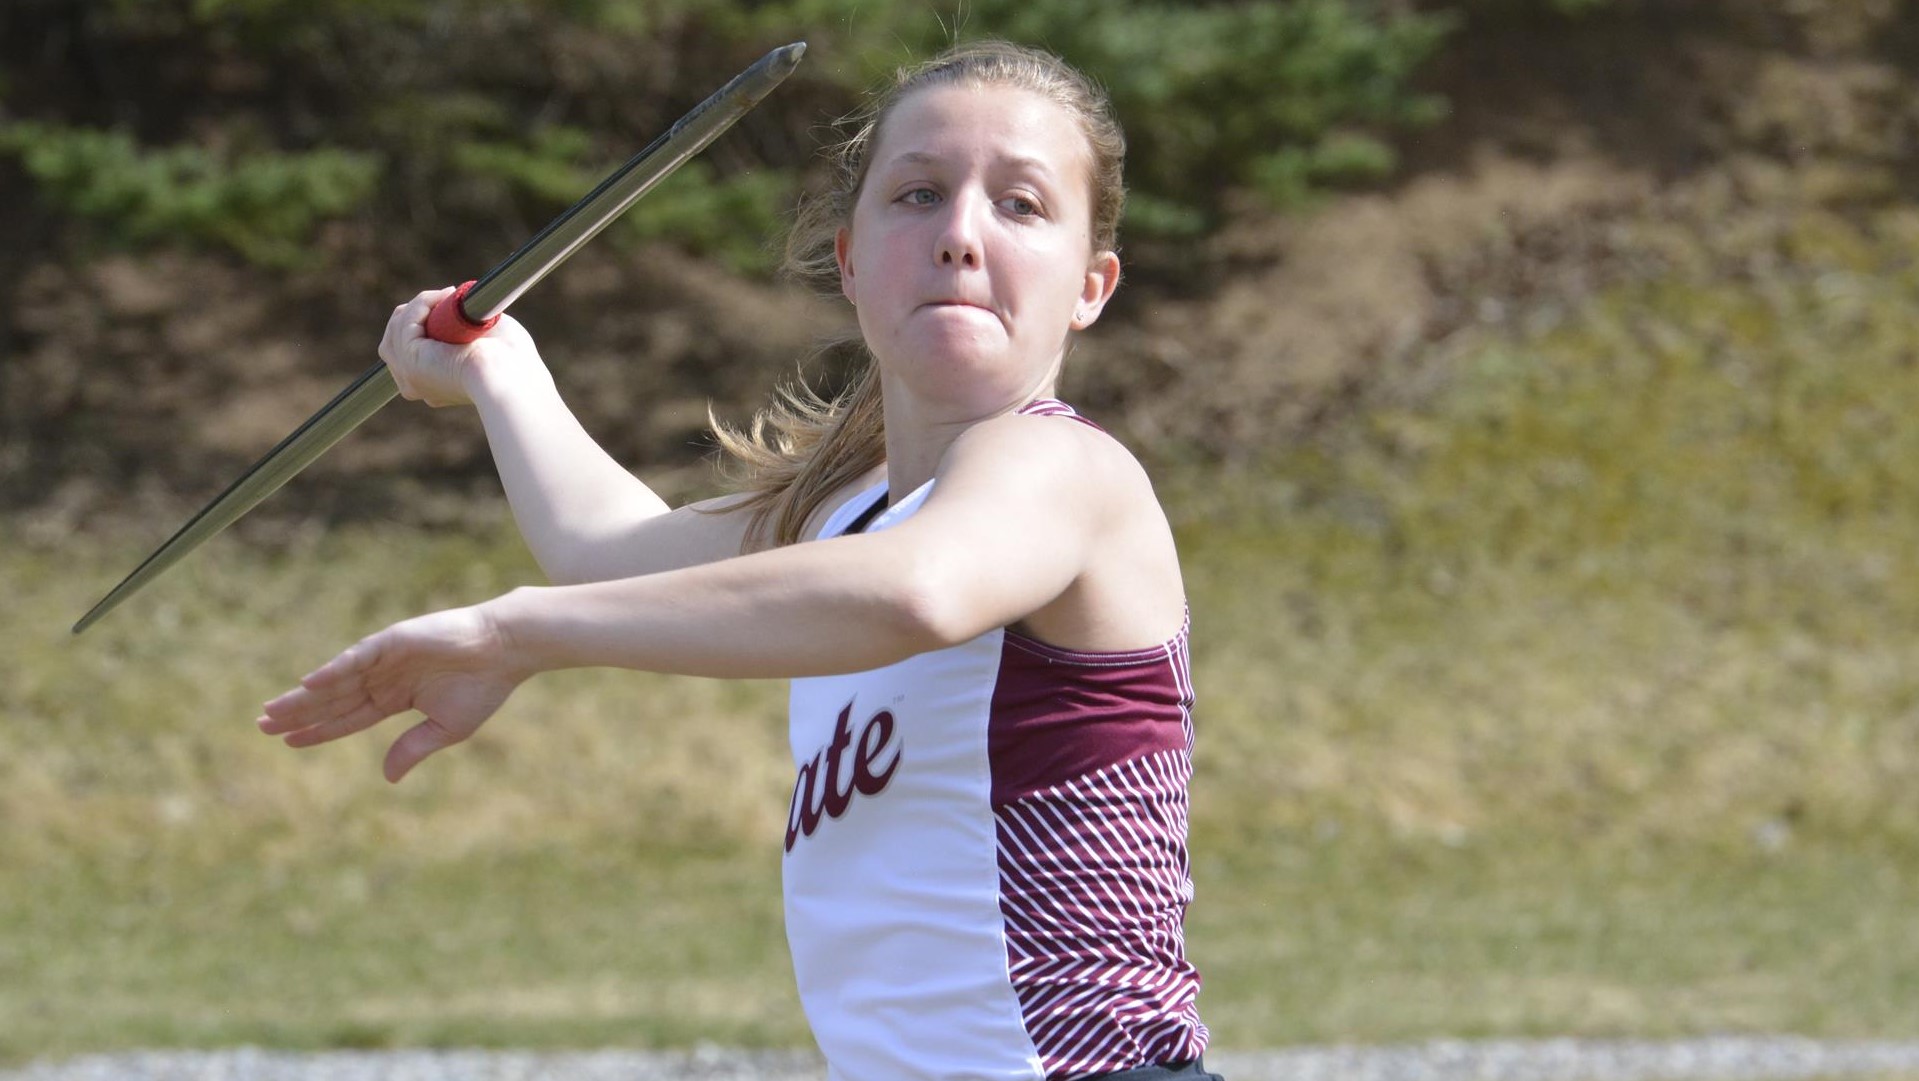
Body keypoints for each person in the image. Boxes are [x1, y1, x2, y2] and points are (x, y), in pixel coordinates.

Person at [258, 39, 1221, 1081]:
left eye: (1019, 205)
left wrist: (515, 633)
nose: (958, 235)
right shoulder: (849, 517)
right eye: (917, 194)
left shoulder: (1063, 468)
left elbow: (917, 591)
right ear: (848, 260)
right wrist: (499, 373)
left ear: (1090, 286)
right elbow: (613, 557)